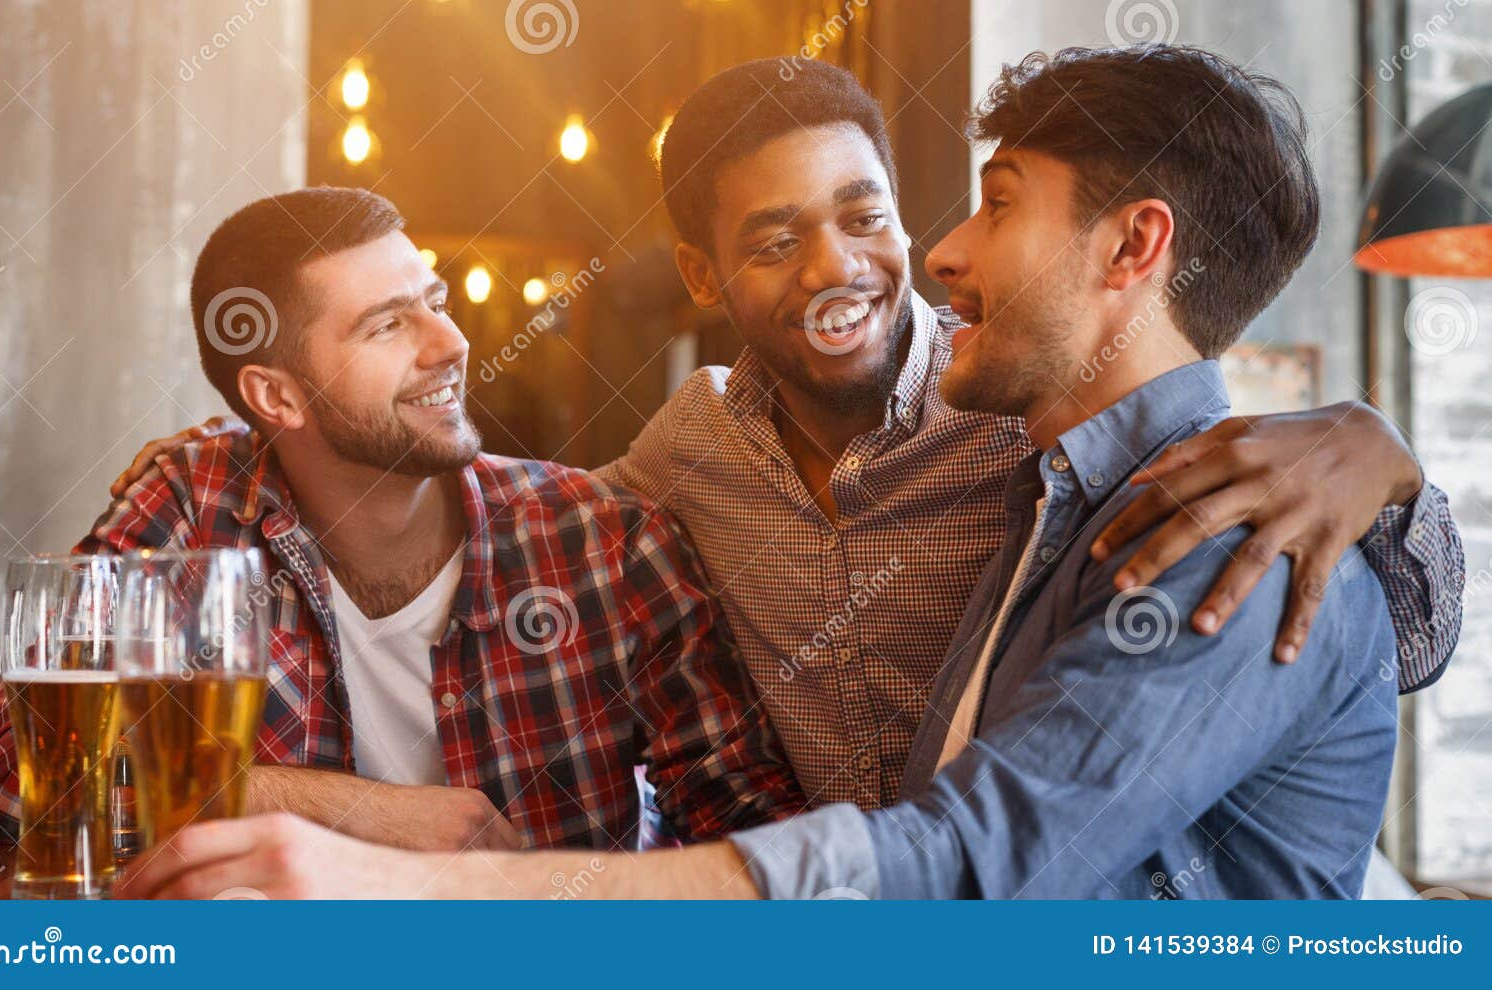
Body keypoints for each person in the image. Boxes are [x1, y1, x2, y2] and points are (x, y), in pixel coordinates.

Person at [120, 44, 1407, 900]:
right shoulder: (688, 462)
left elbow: (981, 857)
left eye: (872, 218)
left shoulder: (1051, 440)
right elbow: (527, 521)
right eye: (775, 240)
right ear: (702, 279)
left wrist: (1384, 469)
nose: (865, 264)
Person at [0, 187, 805, 855]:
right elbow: (27, 781)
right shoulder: (195, 505)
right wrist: (359, 813)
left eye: (434, 302)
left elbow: (755, 836)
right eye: (387, 324)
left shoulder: (602, 541)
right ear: (276, 396)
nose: (450, 342)